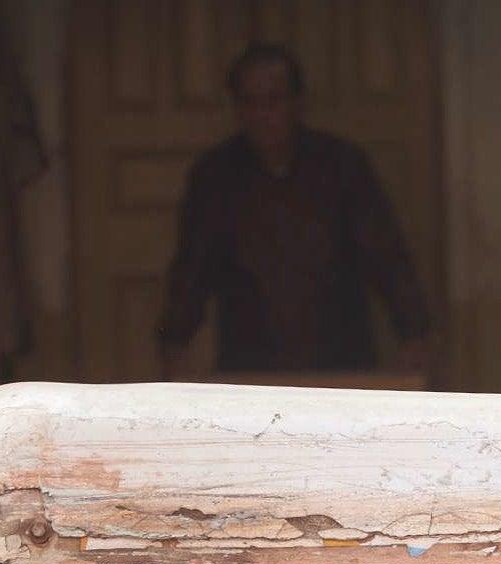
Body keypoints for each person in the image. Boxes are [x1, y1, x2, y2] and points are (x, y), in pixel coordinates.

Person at [156, 41, 429, 377]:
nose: (262, 115)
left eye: (273, 101)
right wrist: (175, 340)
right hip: (251, 357)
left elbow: (386, 254)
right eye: (250, 102)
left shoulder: (342, 166)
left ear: (297, 102)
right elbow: (193, 267)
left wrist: (414, 333)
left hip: (339, 352)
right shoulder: (216, 176)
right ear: (237, 108)